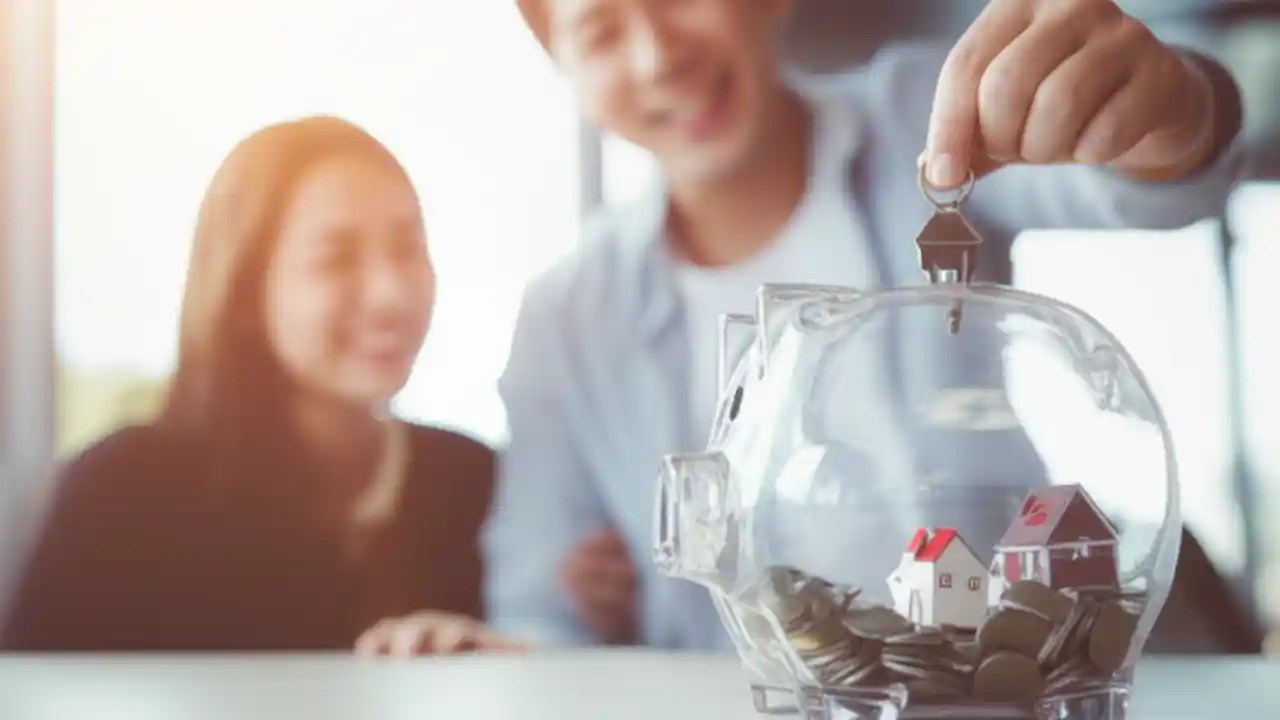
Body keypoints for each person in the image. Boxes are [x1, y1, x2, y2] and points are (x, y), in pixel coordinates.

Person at [360, 0, 1245, 653]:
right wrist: (512, 656)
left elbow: (1147, 180)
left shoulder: (921, 121)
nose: (657, 54)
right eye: (599, 30)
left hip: (999, 682)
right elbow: (541, 601)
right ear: (564, 72)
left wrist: (1176, 111)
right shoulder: (568, 316)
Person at [1, 116, 501, 651]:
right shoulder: (118, 496)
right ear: (242, 293)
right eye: (335, 259)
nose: (390, 294)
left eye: (407, 248)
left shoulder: (472, 482)